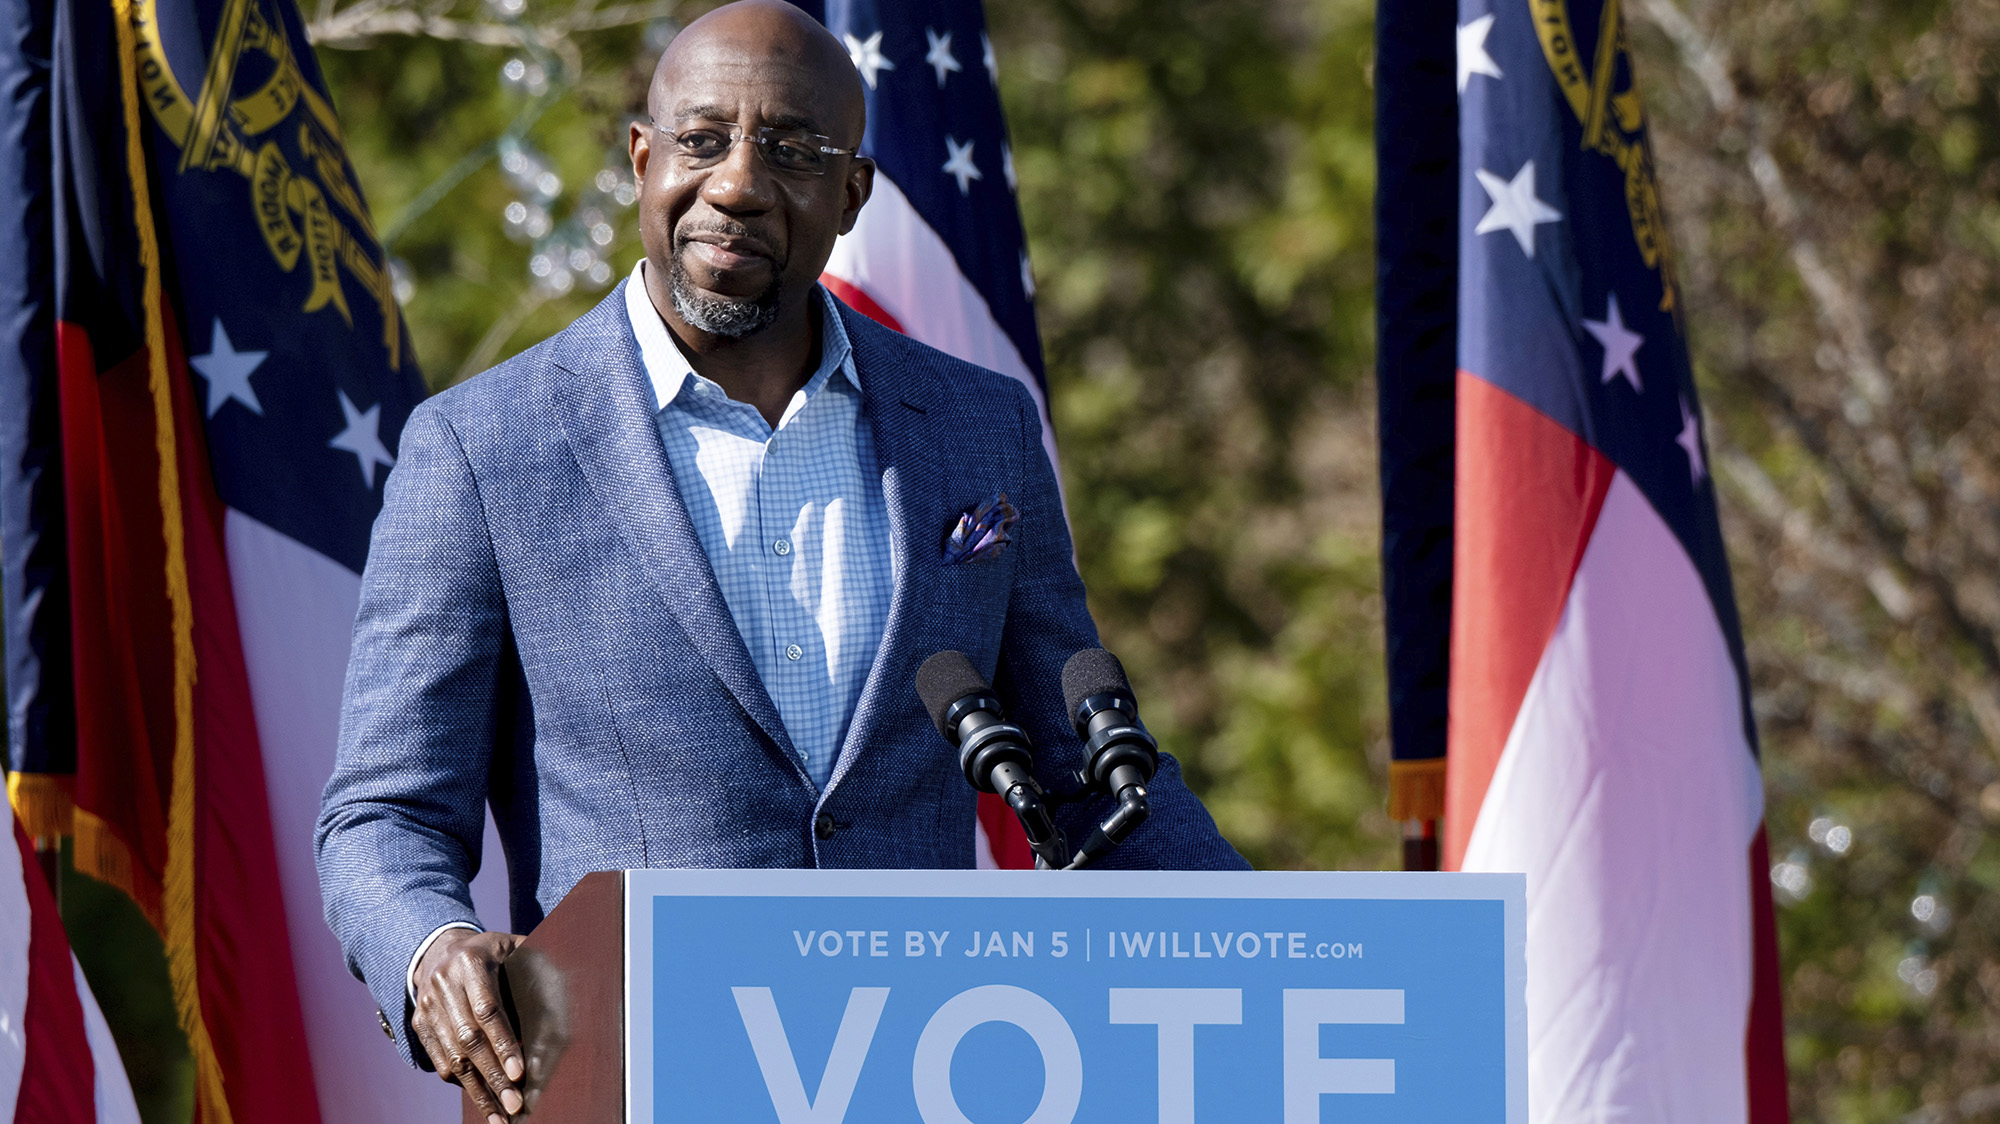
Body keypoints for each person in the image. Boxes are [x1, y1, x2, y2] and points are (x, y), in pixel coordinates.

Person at [314, 2, 1248, 1119]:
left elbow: (1088, 766)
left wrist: (1277, 948)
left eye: (795, 151)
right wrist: (433, 946)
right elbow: (383, 811)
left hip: (931, 1073)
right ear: (641, 158)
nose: (740, 183)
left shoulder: (975, 428)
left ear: (852, 195)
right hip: (623, 1073)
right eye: (703, 139)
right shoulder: (482, 447)